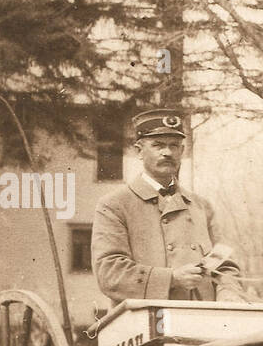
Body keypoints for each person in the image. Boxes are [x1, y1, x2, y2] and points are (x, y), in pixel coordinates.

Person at [91, 109, 246, 304]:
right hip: (143, 321)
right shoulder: (114, 205)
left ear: (182, 151)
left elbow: (224, 264)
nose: (167, 152)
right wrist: (171, 279)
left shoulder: (202, 207)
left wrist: (228, 292)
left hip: (205, 318)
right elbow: (110, 273)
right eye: (158, 145)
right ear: (139, 151)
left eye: (174, 146)